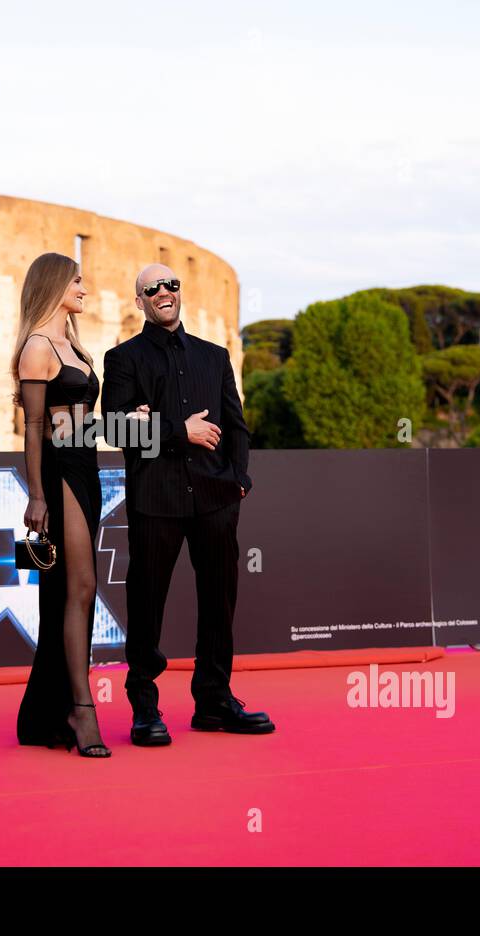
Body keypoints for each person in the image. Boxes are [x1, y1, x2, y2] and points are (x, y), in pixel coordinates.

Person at [101, 264, 275, 746]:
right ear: (139, 302)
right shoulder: (121, 360)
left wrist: (238, 480)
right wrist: (182, 431)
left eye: (171, 285)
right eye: (151, 288)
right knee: (146, 602)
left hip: (216, 498)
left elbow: (236, 427)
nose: (163, 292)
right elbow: (114, 430)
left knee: (220, 602)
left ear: (180, 293)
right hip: (155, 501)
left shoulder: (215, 357)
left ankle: (215, 701)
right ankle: (144, 708)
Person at [13, 252, 147, 758]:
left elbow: (77, 424)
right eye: (76, 281)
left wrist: (133, 420)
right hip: (58, 473)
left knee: (81, 588)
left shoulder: (73, 344)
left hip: (85, 469)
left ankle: (61, 705)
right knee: (79, 584)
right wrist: (37, 495)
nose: (84, 288)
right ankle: (80, 708)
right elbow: (33, 429)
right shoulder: (38, 347)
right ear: (53, 285)